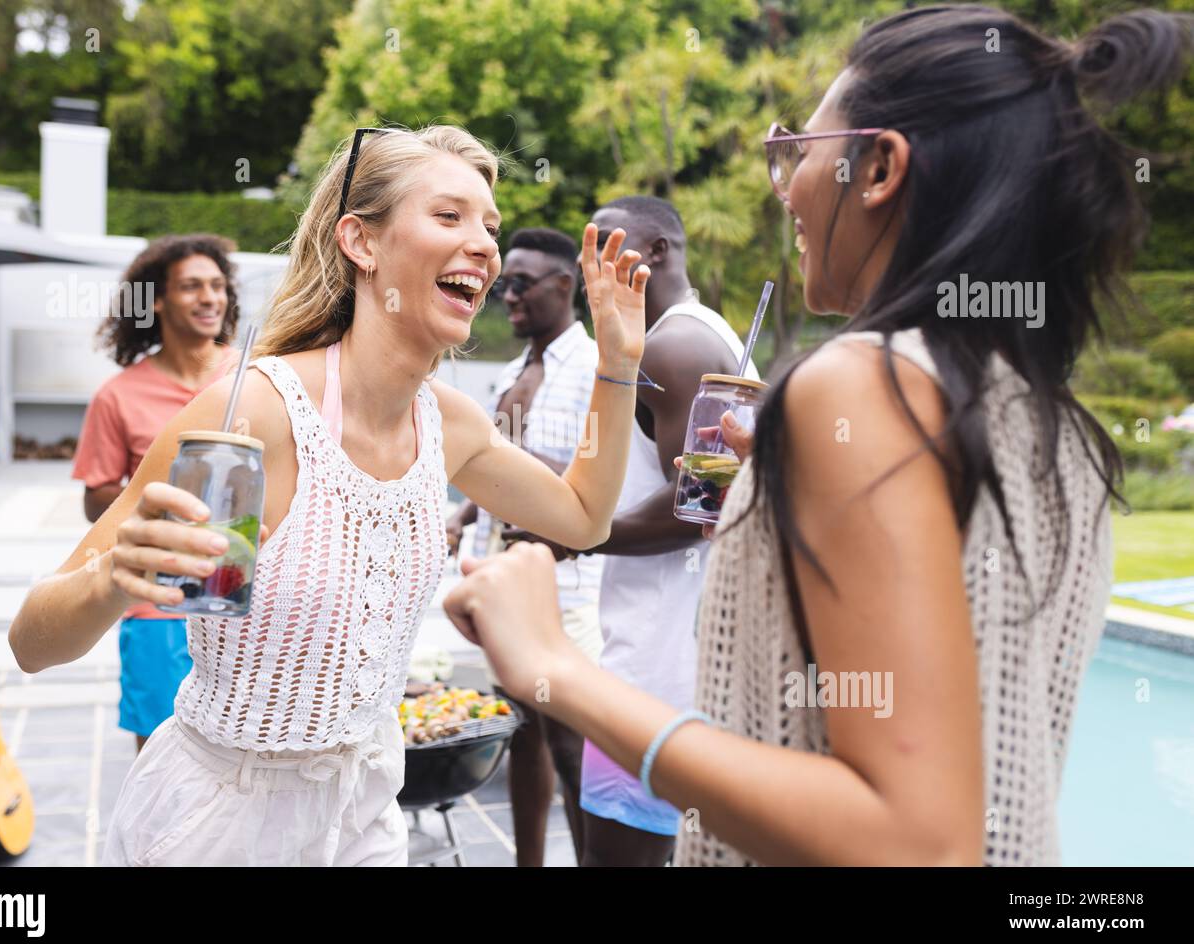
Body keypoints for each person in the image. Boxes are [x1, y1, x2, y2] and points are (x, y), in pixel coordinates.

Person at [443, 6, 1192, 865]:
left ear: (878, 168)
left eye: (799, 152)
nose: (786, 186)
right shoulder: (1053, 421)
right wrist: (790, 492)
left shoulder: (866, 386)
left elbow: (913, 840)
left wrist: (553, 664)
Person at [9, 124, 650, 866]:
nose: (484, 244)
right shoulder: (253, 410)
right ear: (362, 242)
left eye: (489, 225)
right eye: (449, 216)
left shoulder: (448, 420)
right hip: (216, 824)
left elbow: (583, 515)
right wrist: (110, 575)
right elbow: (30, 643)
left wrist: (619, 358)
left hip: (365, 815)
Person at [573, 196, 759, 867]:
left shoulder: (675, 344)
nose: (588, 264)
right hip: (682, 642)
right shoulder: (688, 334)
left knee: (616, 858)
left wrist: (574, 534)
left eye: (605, 246)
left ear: (656, 252)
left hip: (660, 655)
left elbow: (695, 506)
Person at [446, 227, 604, 866]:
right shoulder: (514, 369)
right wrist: (464, 511)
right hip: (505, 585)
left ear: (564, 286)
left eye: (520, 283)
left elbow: (596, 481)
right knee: (523, 736)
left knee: (572, 745)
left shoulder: (596, 369)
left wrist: (507, 463)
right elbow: (494, 474)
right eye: (502, 282)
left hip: (564, 593)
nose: (505, 294)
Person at [71, 235, 240, 752]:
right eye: (191, 286)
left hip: (242, 587)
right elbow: (97, 497)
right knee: (161, 750)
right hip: (156, 601)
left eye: (217, 285)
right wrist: (157, 495)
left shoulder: (255, 376)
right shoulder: (118, 395)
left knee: (240, 749)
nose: (210, 297)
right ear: (158, 299)